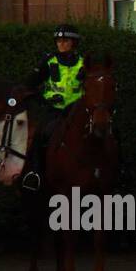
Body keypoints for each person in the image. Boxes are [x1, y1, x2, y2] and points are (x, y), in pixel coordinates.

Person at [19, 24, 86, 192]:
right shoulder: (49, 61)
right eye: (59, 41)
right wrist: (43, 100)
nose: (61, 44)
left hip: (77, 110)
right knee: (40, 136)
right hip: (54, 110)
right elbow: (29, 84)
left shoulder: (83, 63)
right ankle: (34, 173)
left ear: (74, 43)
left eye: (65, 41)